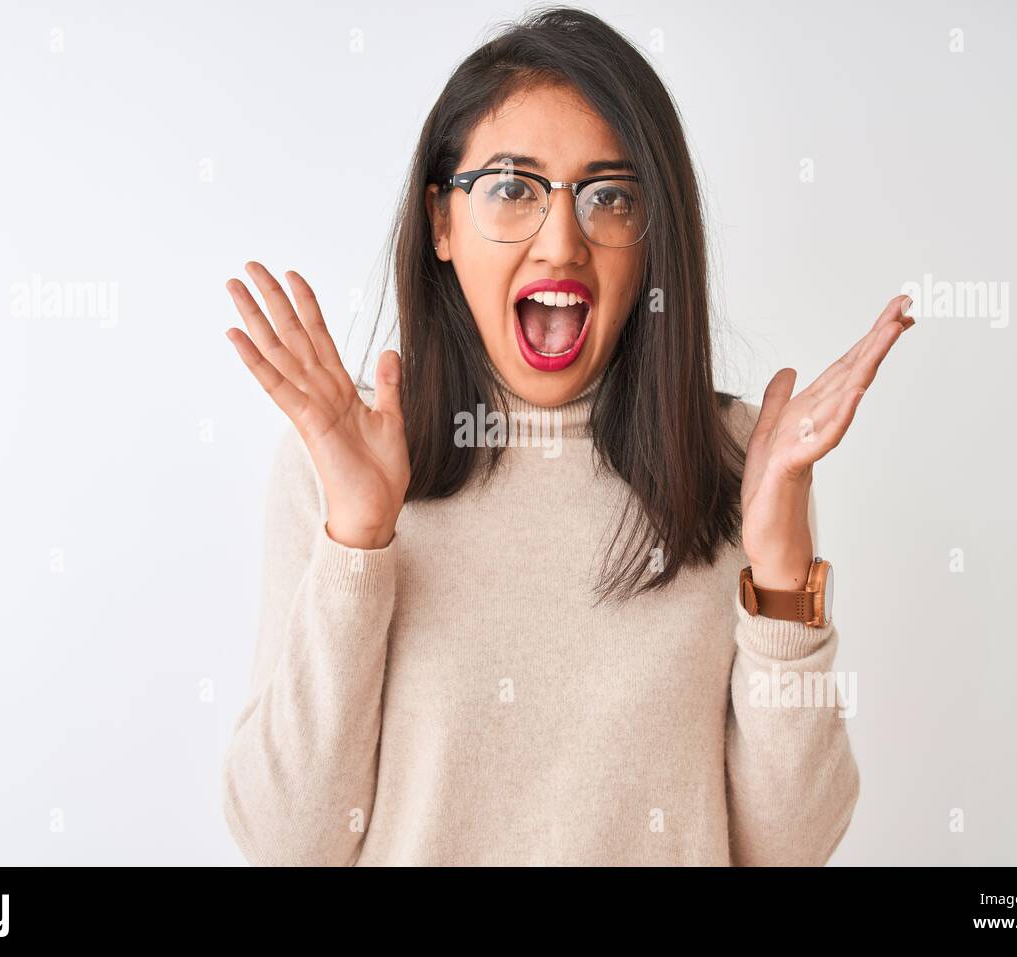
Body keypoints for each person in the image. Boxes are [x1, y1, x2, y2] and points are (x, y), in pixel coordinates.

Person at [219, 6, 913, 866]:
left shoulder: (739, 458)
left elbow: (787, 848)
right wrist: (357, 543)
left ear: (653, 237)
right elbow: (289, 844)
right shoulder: (342, 461)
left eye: (610, 196)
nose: (562, 241)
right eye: (512, 188)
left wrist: (779, 578)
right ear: (441, 221)